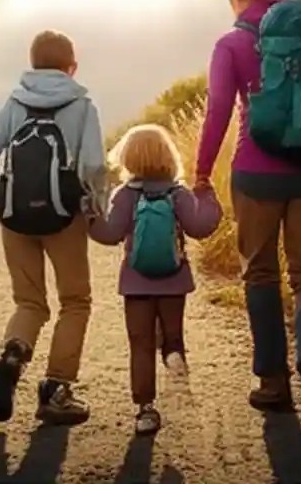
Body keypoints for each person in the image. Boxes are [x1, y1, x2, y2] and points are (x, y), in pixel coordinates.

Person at [193, 0, 301, 427]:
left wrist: (201, 173)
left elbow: (219, 110)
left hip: (257, 175)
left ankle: (273, 383)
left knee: (260, 275)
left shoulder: (232, 42)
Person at [0, 30, 108, 426]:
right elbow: (95, 166)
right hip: (64, 216)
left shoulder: (14, 101)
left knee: (29, 302)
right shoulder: (82, 105)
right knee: (75, 301)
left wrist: (0, 207)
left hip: (16, 216)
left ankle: (14, 354)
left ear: (32, 64)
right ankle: (55, 390)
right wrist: (96, 207)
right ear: (73, 67)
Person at [89, 124, 220, 435]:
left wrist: (90, 216)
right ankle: (174, 355)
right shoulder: (178, 193)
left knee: (140, 343)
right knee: (171, 334)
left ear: (128, 158)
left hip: (136, 283)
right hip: (174, 281)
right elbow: (200, 227)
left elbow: (109, 234)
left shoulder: (125, 196)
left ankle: (145, 410)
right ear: (167, 156)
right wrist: (209, 197)